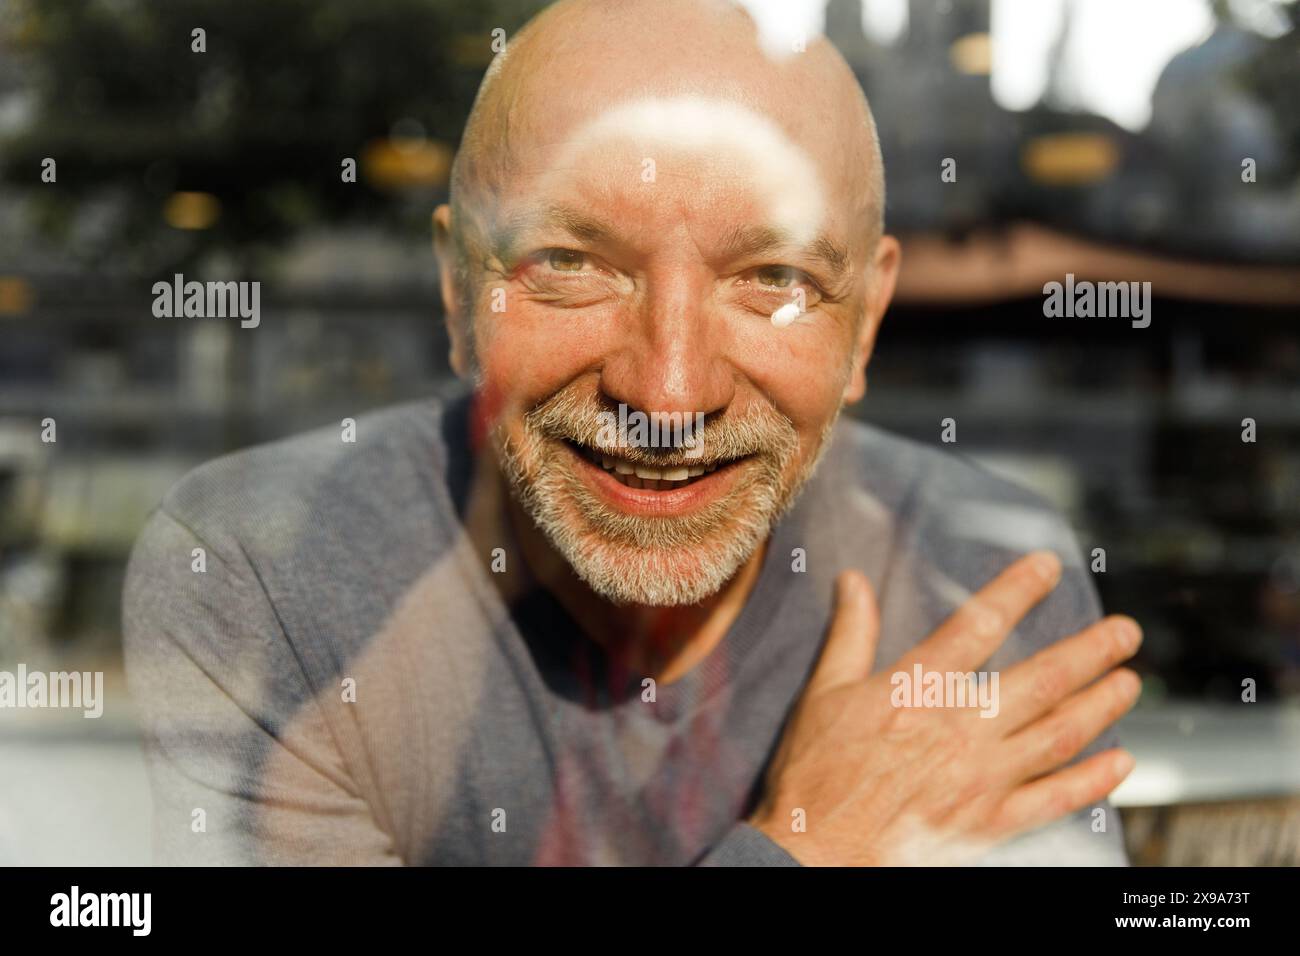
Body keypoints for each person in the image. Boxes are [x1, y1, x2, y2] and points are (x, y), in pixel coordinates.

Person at [124, 0, 1141, 866]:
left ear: (865, 321)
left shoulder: (983, 580)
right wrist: (804, 840)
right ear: (456, 295)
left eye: (773, 280)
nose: (666, 389)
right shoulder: (263, 571)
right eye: (570, 263)